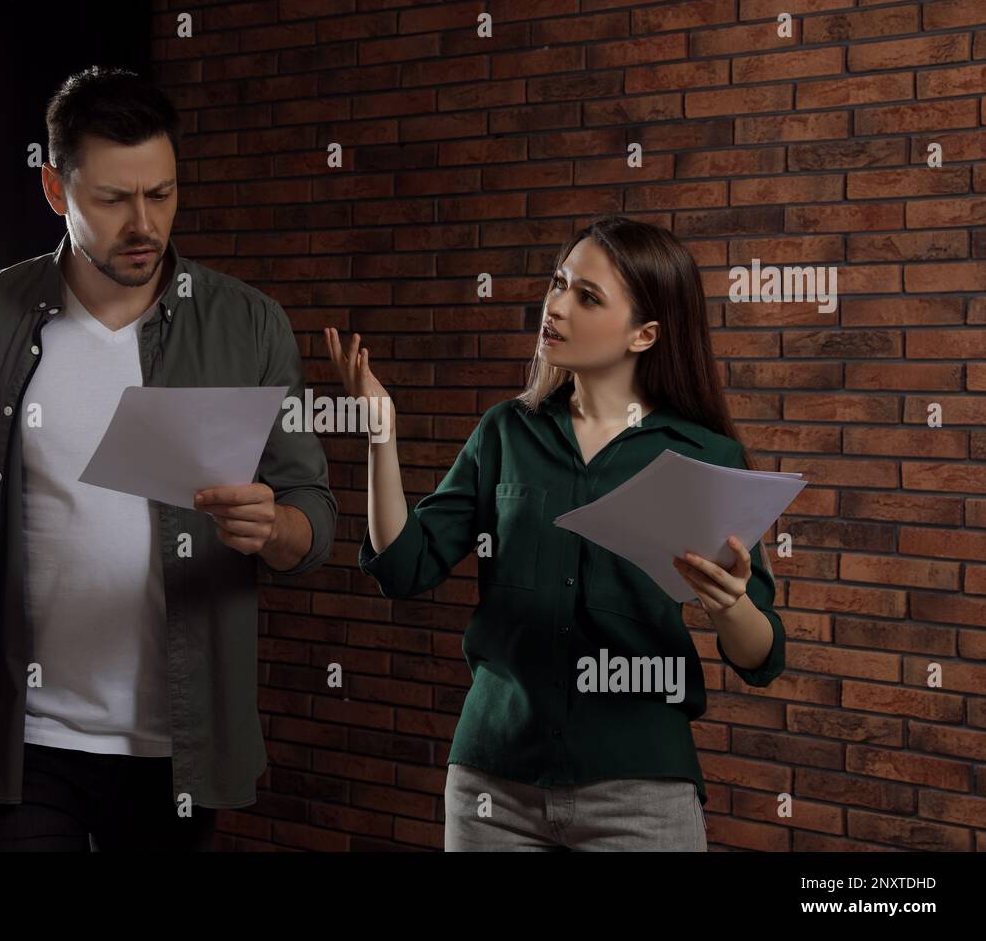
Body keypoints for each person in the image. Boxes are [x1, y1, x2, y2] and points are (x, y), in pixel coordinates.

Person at [0, 66, 337, 851]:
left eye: (163, 194)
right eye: (112, 200)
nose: (143, 223)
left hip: (176, 746)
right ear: (54, 188)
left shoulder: (249, 326)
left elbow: (314, 514)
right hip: (19, 743)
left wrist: (272, 526)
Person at [327, 214, 786, 851]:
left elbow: (760, 655)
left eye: (587, 296)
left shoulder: (704, 458)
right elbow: (405, 567)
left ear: (644, 334)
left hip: (641, 790)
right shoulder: (505, 433)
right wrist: (381, 436)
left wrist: (731, 605)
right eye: (558, 283)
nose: (556, 306)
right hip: (493, 786)